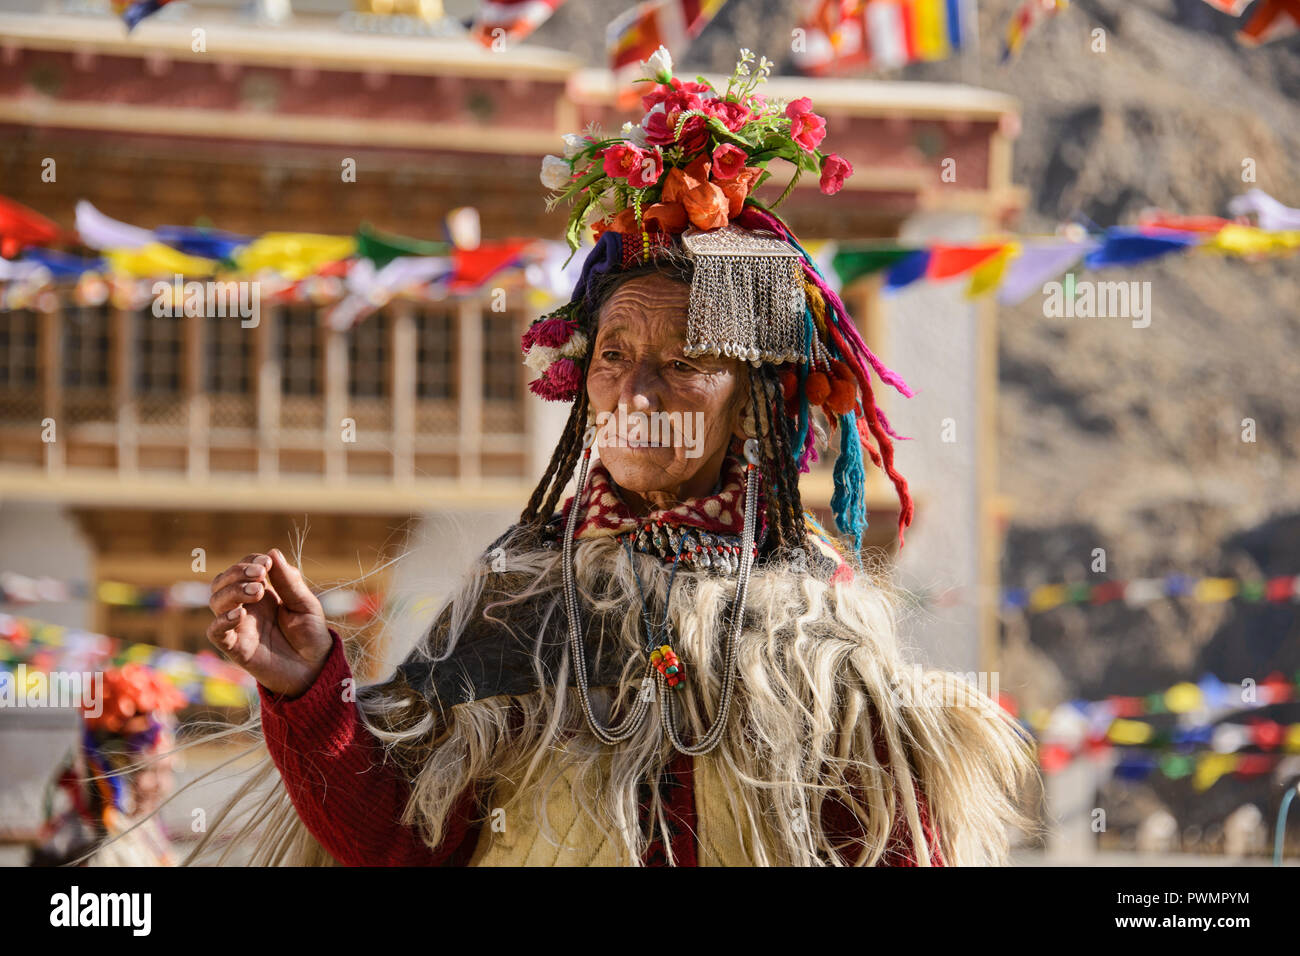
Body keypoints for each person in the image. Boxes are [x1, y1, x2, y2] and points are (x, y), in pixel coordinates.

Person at [195, 47, 1038, 866]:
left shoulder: (822, 645)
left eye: (682, 363)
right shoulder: (515, 600)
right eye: (613, 356)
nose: (636, 394)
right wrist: (309, 687)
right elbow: (403, 841)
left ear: (752, 400)